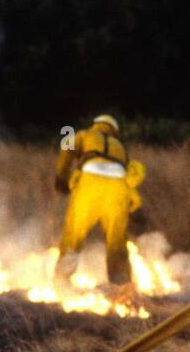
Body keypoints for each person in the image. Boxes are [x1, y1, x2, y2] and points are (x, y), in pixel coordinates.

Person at [54, 113, 143, 291]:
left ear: (96, 124)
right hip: (117, 191)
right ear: (114, 130)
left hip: (89, 186)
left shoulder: (85, 135)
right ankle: (122, 287)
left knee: (74, 235)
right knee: (116, 242)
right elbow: (132, 173)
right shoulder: (120, 147)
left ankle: (61, 283)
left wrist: (62, 178)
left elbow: (67, 148)